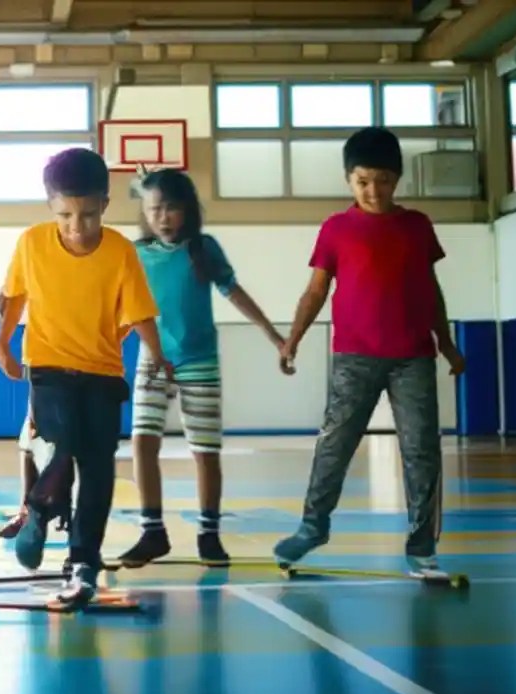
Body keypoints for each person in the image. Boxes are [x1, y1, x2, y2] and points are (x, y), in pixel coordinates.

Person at [273, 127, 466, 577]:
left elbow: (429, 289)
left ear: (397, 179)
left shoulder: (416, 226)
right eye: (362, 181)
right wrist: (292, 338)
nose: (372, 191)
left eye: (382, 180)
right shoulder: (336, 229)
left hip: (412, 358)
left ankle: (421, 546)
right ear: (348, 181)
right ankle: (312, 527)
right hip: (354, 358)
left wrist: (448, 343)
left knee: (422, 451)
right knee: (334, 445)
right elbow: (316, 290)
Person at [0, 147, 171, 604]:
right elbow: (15, 294)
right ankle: (36, 507)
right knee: (64, 444)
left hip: (102, 370)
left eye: (88, 215)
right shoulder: (32, 242)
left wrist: (159, 356)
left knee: (98, 467)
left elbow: (140, 311)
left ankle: (83, 561)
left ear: (105, 205)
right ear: (52, 207)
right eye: (65, 215)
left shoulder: (120, 251)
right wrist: (2, 342)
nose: (77, 227)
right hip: (48, 367)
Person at [118, 169, 287, 568]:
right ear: (145, 212)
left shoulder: (203, 249)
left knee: (205, 450)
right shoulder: (136, 254)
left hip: (199, 361)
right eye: (155, 209)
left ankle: (209, 533)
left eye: (172, 208)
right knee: (143, 441)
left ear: (188, 211)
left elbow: (235, 293)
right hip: (153, 360)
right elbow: (124, 312)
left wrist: (275, 336)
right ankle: (152, 530)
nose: (163, 217)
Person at [0, 291, 73, 540]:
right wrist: (6, 298)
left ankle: (60, 511)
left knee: (64, 445)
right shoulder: (34, 265)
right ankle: (30, 508)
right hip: (41, 360)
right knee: (29, 441)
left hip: (70, 361)